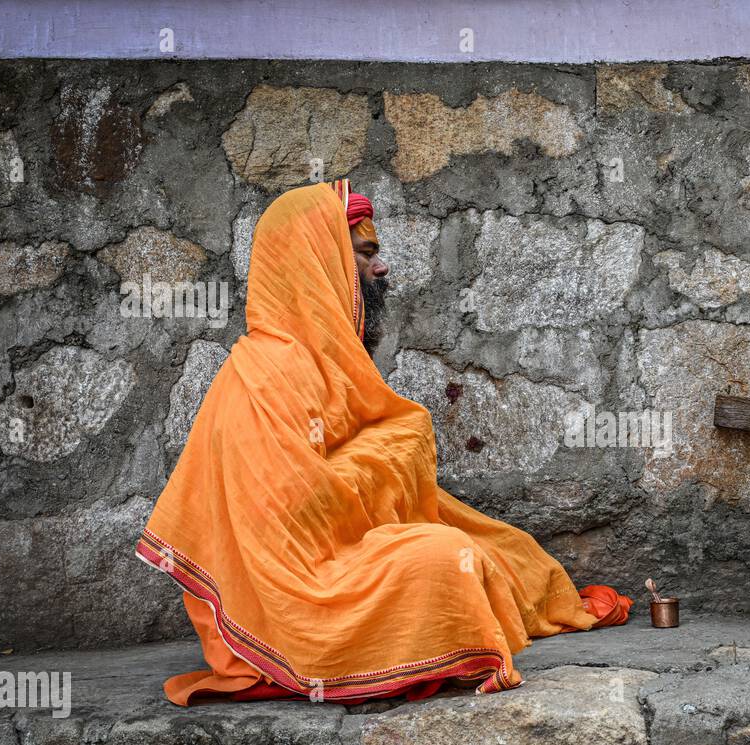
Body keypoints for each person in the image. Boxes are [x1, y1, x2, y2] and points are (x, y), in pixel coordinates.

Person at [137, 178, 630, 706]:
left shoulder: (330, 362)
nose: (383, 267)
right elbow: (292, 512)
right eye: (366, 253)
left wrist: (391, 446)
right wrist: (394, 445)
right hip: (294, 596)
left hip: (348, 559)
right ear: (319, 263)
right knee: (448, 556)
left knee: (504, 553)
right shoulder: (265, 371)